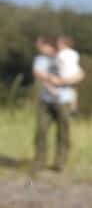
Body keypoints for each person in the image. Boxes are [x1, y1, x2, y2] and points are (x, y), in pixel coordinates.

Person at [31, 37, 70, 173]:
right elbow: (37, 73)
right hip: (46, 101)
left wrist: (61, 80)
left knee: (63, 133)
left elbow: (79, 74)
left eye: (42, 46)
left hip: (63, 101)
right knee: (41, 131)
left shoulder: (65, 56)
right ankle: (39, 162)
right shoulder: (40, 59)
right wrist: (50, 80)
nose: (40, 49)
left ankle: (60, 163)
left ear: (50, 46)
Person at [53, 35, 85, 112]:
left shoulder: (61, 54)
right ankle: (73, 107)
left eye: (59, 43)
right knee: (73, 89)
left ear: (63, 44)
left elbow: (57, 64)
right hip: (77, 73)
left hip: (66, 75)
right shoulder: (74, 53)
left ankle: (60, 107)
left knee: (56, 88)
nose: (58, 45)